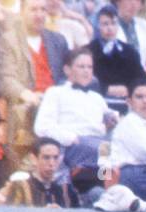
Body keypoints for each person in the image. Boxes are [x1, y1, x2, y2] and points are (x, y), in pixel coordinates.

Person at [0, 0, 69, 161]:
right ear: (22, 12)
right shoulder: (8, 40)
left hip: (57, 102)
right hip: (28, 103)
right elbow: (5, 79)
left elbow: (65, 76)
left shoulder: (58, 40)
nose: (39, 14)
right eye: (33, 9)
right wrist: (29, 95)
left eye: (43, 10)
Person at [33, 47, 117, 177]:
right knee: (107, 153)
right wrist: (71, 138)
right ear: (67, 70)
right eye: (81, 66)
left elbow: (110, 117)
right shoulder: (56, 93)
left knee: (117, 154)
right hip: (73, 145)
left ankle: (104, 186)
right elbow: (42, 127)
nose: (86, 71)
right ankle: (101, 180)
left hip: (99, 144)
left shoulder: (97, 98)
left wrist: (112, 119)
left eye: (89, 67)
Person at [89, 4, 145, 97]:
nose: (110, 28)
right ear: (97, 26)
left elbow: (140, 78)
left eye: (113, 23)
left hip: (126, 99)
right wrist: (106, 89)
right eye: (105, 24)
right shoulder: (89, 51)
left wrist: (129, 89)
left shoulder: (130, 51)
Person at [9, 136, 81, 206]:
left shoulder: (67, 191)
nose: (51, 163)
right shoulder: (20, 187)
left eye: (55, 158)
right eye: (46, 158)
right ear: (34, 159)